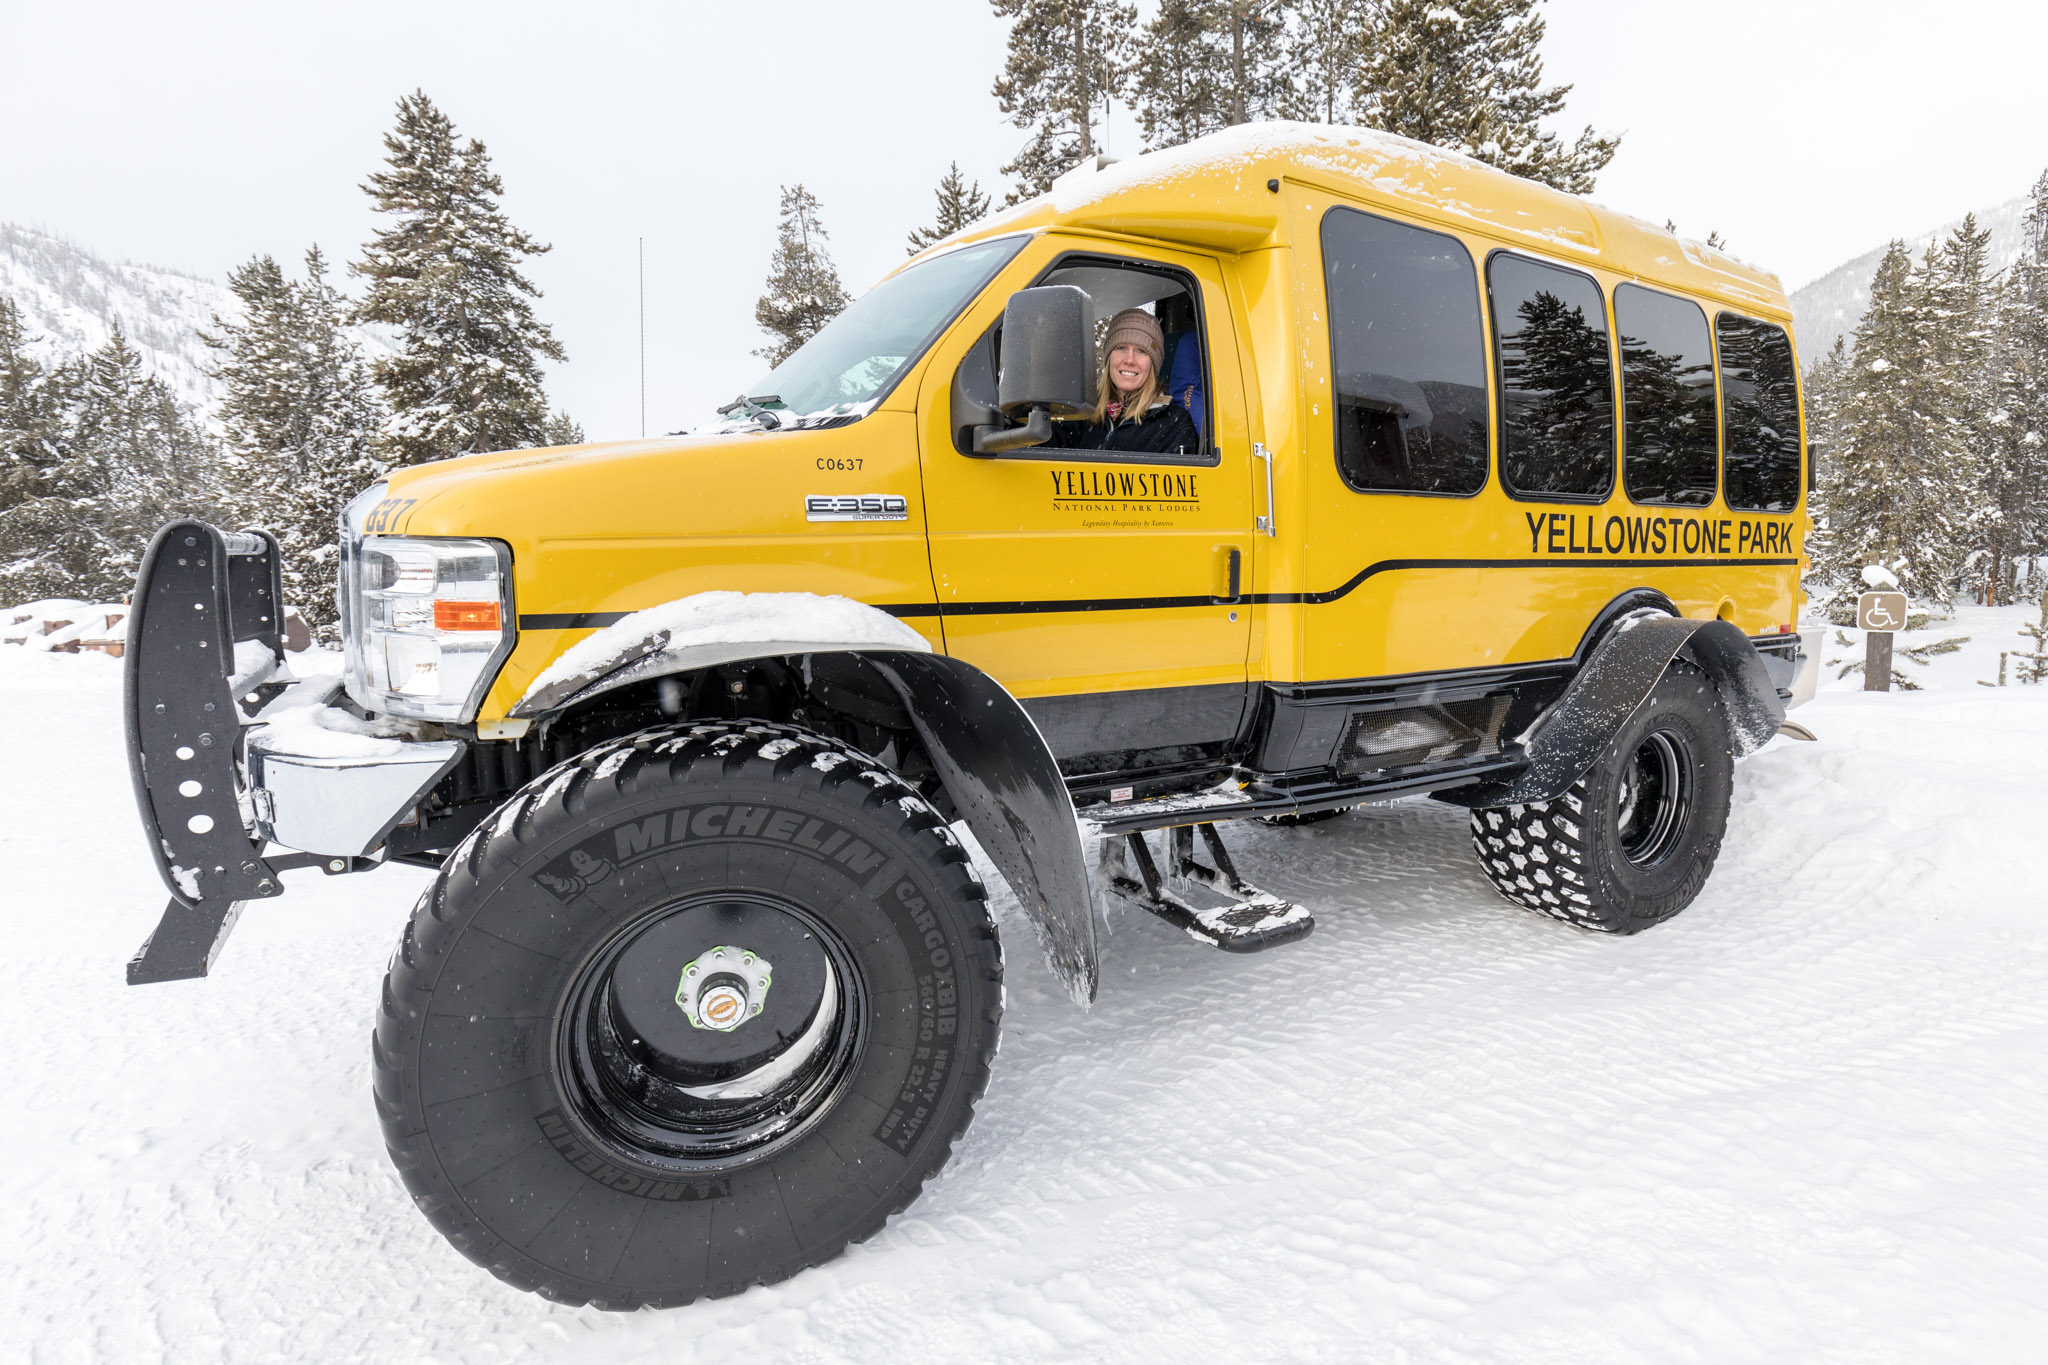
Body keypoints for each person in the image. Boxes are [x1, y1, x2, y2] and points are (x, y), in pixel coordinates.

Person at [1049, 308, 1202, 456]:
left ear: (1153, 364)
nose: (1129, 360)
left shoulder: (1174, 424)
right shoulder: (1077, 414)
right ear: (1109, 357)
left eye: (1141, 351)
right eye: (1121, 348)